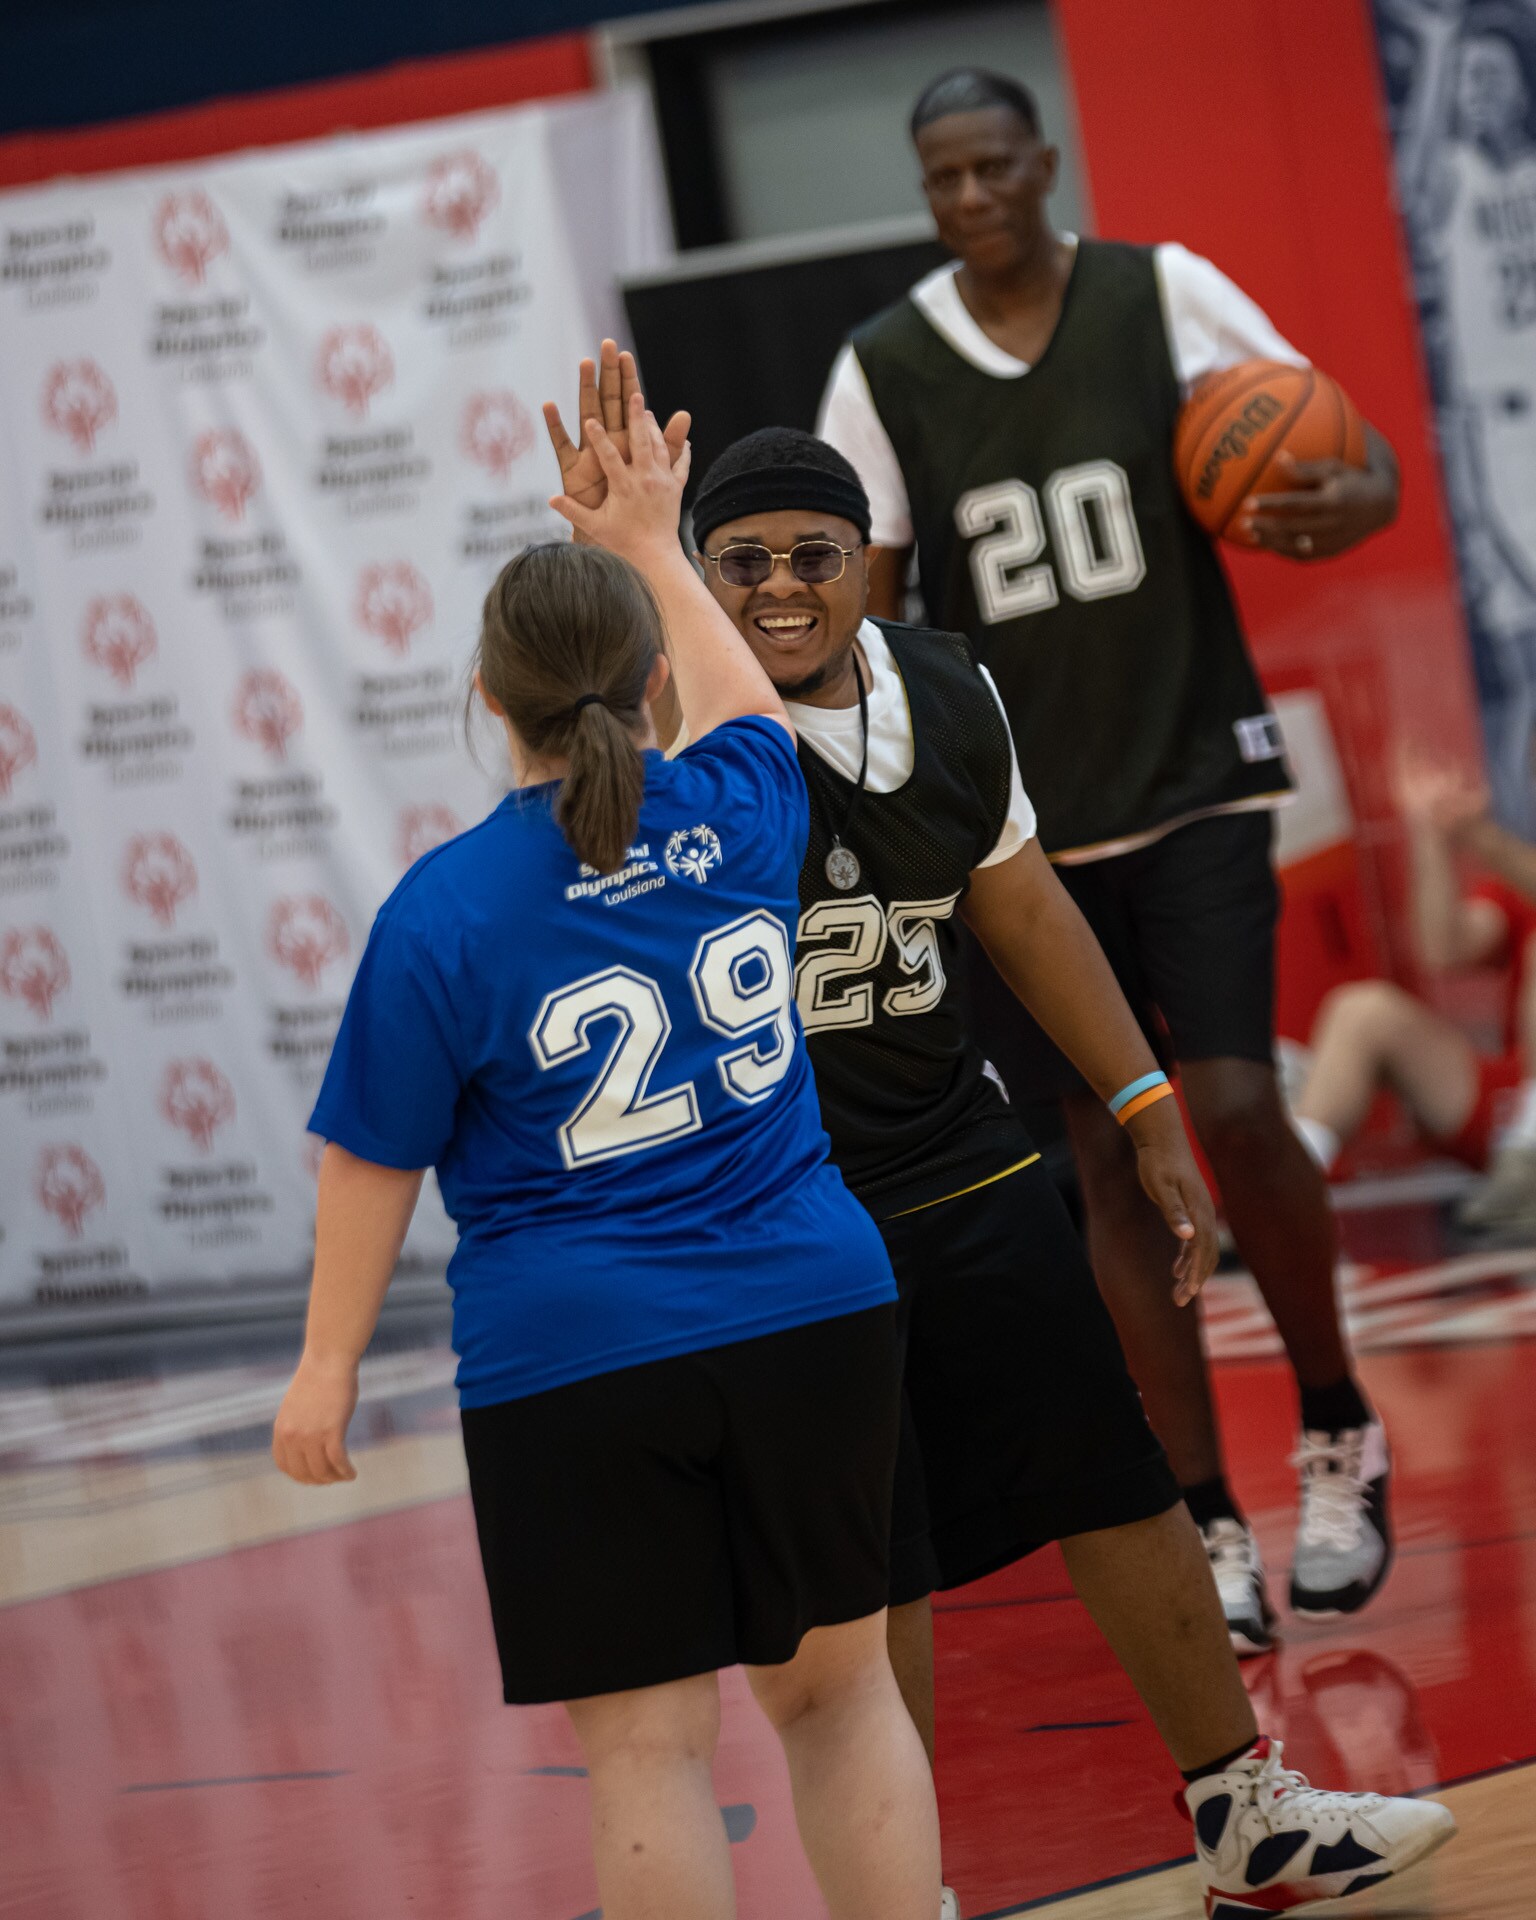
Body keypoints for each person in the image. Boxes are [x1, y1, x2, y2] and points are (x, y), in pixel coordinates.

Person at [550, 351, 1457, 1920]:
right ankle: (900, 1890)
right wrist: (630, 546)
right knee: (867, 1566)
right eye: (739, 560)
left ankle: (1247, 1817)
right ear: (700, 577)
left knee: (1118, 1481)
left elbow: (1023, 908)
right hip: (781, 1207)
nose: (777, 586)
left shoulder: (952, 692)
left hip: (957, 1157)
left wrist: (1144, 1101)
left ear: (864, 564)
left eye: (810, 556)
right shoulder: (673, 719)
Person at [271, 385, 943, 1920]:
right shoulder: (743, 802)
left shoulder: (443, 910)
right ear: (652, 677)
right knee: (843, 1706)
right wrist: (650, 532)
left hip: (574, 1357)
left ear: (489, 698)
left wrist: (325, 1366)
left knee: (647, 1750)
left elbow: (367, 1162)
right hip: (817, 1312)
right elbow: (748, 702)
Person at [819, 66, 1404, 1652]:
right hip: (1020, 837)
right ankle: (1207, 1514)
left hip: (1199, 774)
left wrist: (1353, 497)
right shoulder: (880, 370)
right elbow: (858, 622)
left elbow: (1359, 471)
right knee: (1104, 1169)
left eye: (992, 167)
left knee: (1225, 1101)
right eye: (941, 178)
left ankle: (1339, 1422)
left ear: (1044, 161)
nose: (968, 200)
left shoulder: (1165, 295)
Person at [1293, 758, 1536, 1232]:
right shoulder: (1521, 870)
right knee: (1363, 1011)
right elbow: (1442, 947)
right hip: (1516, 1120)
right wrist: (1433, 834)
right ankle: (1284, 1182)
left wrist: (1480, 835)